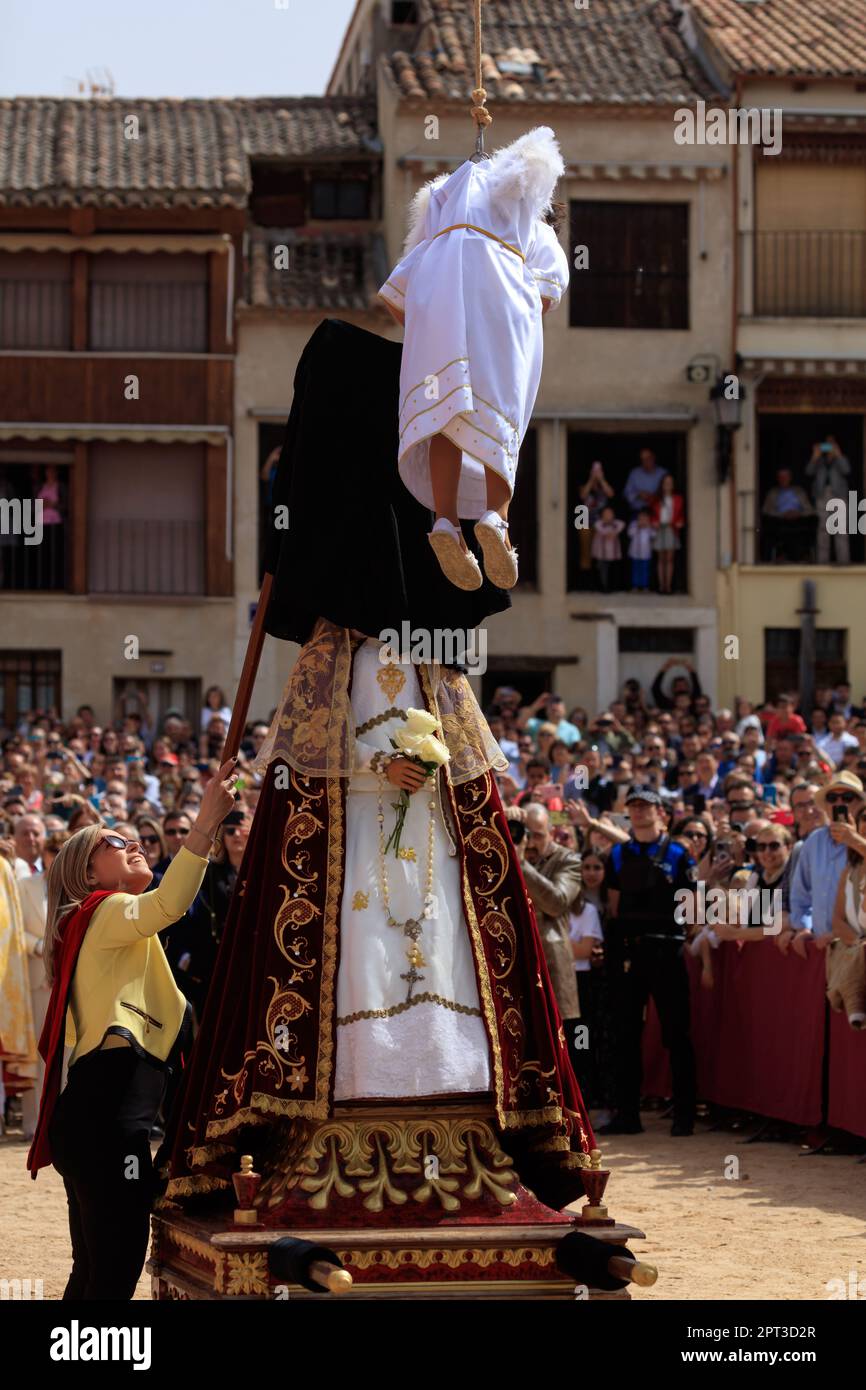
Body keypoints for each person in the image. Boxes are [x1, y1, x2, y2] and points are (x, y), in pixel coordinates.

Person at [161, 620, 595, 1214]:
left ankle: (450, 1078)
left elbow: (467, 756)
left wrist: (428, 765)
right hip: (355, 834)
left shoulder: (435, 659)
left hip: (430, 833)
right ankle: (361, 1081)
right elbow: (308, 747)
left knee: (445, 951)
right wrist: (379, 764)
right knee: (363, 949)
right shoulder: (328, 656)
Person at [26, 757, 238, 1300]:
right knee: (114, 1274)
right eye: (114, 840)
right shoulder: (107, 907)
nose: (133, 841)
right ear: (89, 874)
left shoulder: (97, 920)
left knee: (94, 1273)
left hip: (92, 1119)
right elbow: (169, 903)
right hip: (107, 1118)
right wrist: (205, 823)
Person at [378, 126, 570, 591]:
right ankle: (497, 520)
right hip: (500, 291)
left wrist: (436, 330)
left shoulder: (441, 231)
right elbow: (548, 291)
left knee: (446, 410)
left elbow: (394, 296)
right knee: (501, 403)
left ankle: (445, 522)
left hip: (435, 290)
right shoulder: (534, 232)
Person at [601, 787, 697, 1137]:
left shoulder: (679, 853)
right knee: (625, 1034)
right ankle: (628, 1115)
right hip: (630, 952)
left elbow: (691, 903)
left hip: (667, 951)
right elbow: (613, 905)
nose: (639, 812)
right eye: (633, 807)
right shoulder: (617, 854)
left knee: (677, 1033)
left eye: (645, 806)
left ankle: (684, 1115)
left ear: (661, 812)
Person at [510, 803, 581, 1025]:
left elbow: (556, 903)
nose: (529, 842)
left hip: (551, 967)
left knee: (558, 1045)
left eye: (538, 835)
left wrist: (519, 862)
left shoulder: (568, 860)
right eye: (525, 833)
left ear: (551, 833)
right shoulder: (502, 856)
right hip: (514, 964)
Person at [785, 772, 865, 957]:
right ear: (826, 806)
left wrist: (854, 840)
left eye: (847, 797)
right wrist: (804, 928)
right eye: (832, 797)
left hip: (857, 947)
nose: (839, 803)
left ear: (860, 804)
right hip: (819, 946)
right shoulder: (814, 840)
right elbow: (800, 893)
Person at [826, 804, 866, 1028]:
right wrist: (858, 944)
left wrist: (854, 840)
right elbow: (837, 921)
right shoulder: (849, 870)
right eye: (865, 818)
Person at [806, 436, 851, 564]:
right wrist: (814, 457)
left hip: (839, 495)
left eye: (832, 444)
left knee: (840, 528)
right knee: (823, 529)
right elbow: (808, 472)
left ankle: (844, 561)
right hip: (822, 495)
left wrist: (839, 455)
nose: (829, 447)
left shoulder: (841, 459)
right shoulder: (819, 460)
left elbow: (847, 470)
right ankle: (822, 562)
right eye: (826, 444)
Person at [761, 469, 814, 562]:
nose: (783, 479)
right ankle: (782, 556)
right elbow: (766, 510)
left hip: (799, 522)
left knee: (803, 530)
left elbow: (810, 510)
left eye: (785, 477)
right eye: (781, 477)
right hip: (780, 522)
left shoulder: (799, 491)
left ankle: (801, 556)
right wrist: (782, 515)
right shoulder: (773, 492)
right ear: (778, 479)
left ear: (790, 478)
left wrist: (798, 513)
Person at [650, 473, 684, 594]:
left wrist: (679, 522)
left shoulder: (678, 499)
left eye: (670, 483)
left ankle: (668, 586)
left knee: (669, 559)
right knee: (661, 559)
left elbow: (680, 516)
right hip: (660, 529)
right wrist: (654, 522)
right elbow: (652, 516)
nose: (668, 485)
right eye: (666, 483)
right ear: (662, 485)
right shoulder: (657, 499)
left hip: (671, 528)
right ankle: (661, 586)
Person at [578, 460, 615, 571]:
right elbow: (583, 495)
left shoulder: (604, 485)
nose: (596, 473)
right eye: (594, 470)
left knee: (600, 550)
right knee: (585, 549)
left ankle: (600, 575)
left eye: (599, 470)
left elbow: (611, 494)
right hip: (584, 520)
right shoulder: (584, 483)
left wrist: (601, 480)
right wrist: (591, 480)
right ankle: (586, 574)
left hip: (601, 522)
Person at [591, 505, 624, 592]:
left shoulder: (616, 523)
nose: (608, 515)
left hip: (612, 553)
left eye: (610, 513)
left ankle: (612, 586)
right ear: (602, 515)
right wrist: (610, 533)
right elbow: (601, 530)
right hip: (601, 553)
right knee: (602, 569)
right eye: (606, 513)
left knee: (612, 570)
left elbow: (622, 525)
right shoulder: (599, 523)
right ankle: (603, 586)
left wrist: (614, 532)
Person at [624, 448, 667, 515]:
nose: (646, 461)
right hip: (638, 512)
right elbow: (626, 493)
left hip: (658, 512)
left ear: (654, 457)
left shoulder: (663, 473)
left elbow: (670, 493)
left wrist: (654, 496)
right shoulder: (634, 473)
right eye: (643, 459)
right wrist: (638, 494)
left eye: (648, 458)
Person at [626, 510, 656, 592]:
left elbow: (654, 535)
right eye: (641, 518)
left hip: (645, 553)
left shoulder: (649, 526)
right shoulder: (634, 524)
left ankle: (645, 586)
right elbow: (629, 533)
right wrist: (638, 527)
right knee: (635, 570)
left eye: (644, 518)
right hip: (635, 553)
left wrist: (648, 526)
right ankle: (635, 586)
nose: (642, 520)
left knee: (645, 570)